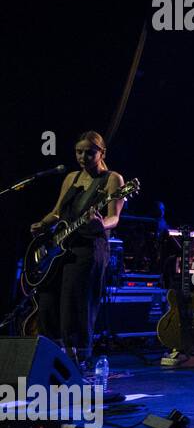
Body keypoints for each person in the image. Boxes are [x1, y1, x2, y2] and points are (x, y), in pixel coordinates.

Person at [28, 131, 126, 368]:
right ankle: (53, 356)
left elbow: (114, 218)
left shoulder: (113, 179)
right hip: (62, 248)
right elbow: (57, 212)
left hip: (89, 248)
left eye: (89, 152)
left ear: (102, 153)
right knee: (48, 300)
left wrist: (101, 223)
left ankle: (78, 359)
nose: (82, 157)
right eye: (79, 152)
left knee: (75, 304)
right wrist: (42, 223)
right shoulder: (71, 177)